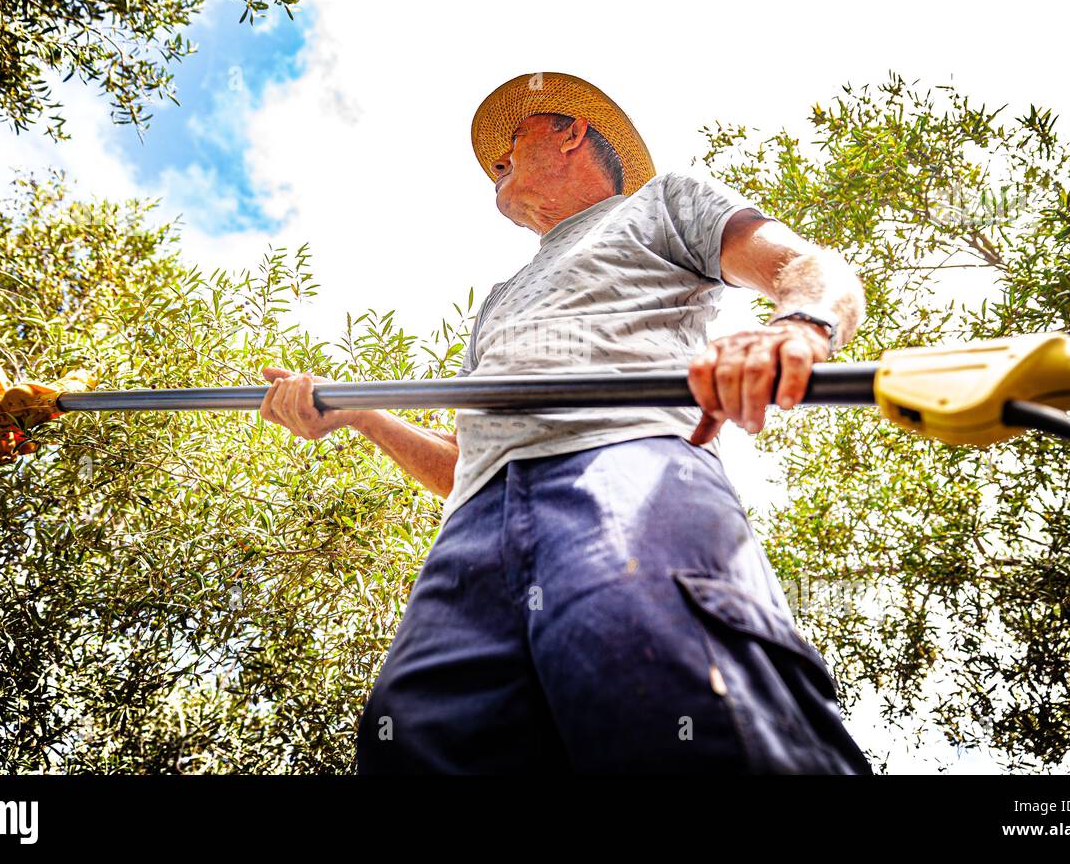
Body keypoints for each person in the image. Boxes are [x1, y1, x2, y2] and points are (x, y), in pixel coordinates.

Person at [259, 72, 872, 774]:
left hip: (627, 466)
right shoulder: (498, 300)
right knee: (419, 736)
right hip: (475, 528)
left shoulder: (664, 202)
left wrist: (797, 325)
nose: (497, 166)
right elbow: (467, 460)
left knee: (676, 689)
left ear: (571, 131)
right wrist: (362, 416)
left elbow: (806, 266)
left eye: (509, 144)